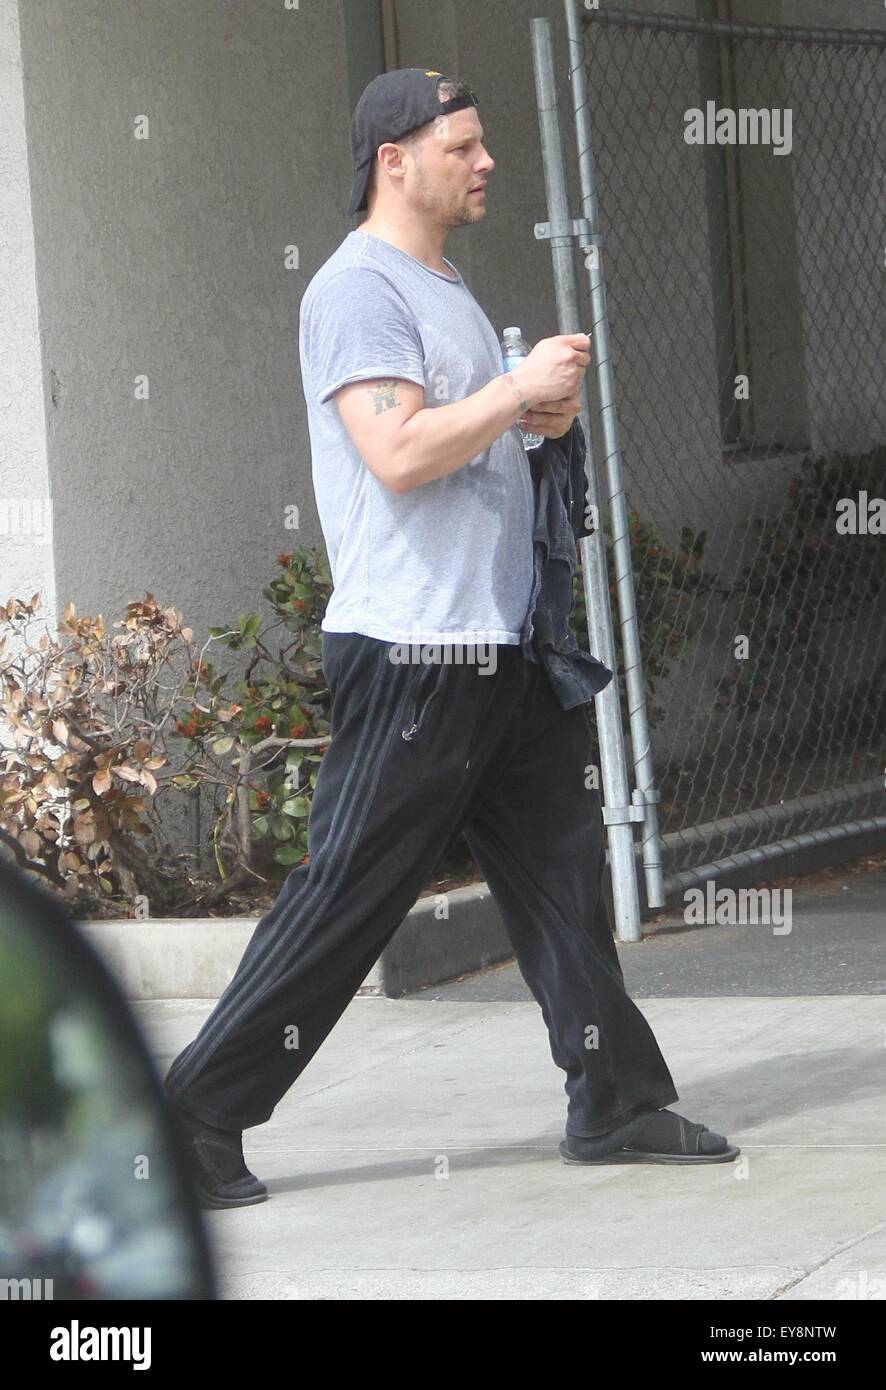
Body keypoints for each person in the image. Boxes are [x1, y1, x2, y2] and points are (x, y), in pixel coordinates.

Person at [163, 68, 739, 1208]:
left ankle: (614, 1097)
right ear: (396, 159)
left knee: (563, 882)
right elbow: (399, 454)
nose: (484, 164)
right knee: (347, 896)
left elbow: (462, 444)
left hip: (505, 651)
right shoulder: (356, 291)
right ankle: (187, 1119)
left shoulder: (440, 284)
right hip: (418, 653)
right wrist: (510, 388)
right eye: (462, 146)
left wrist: (536, 419)